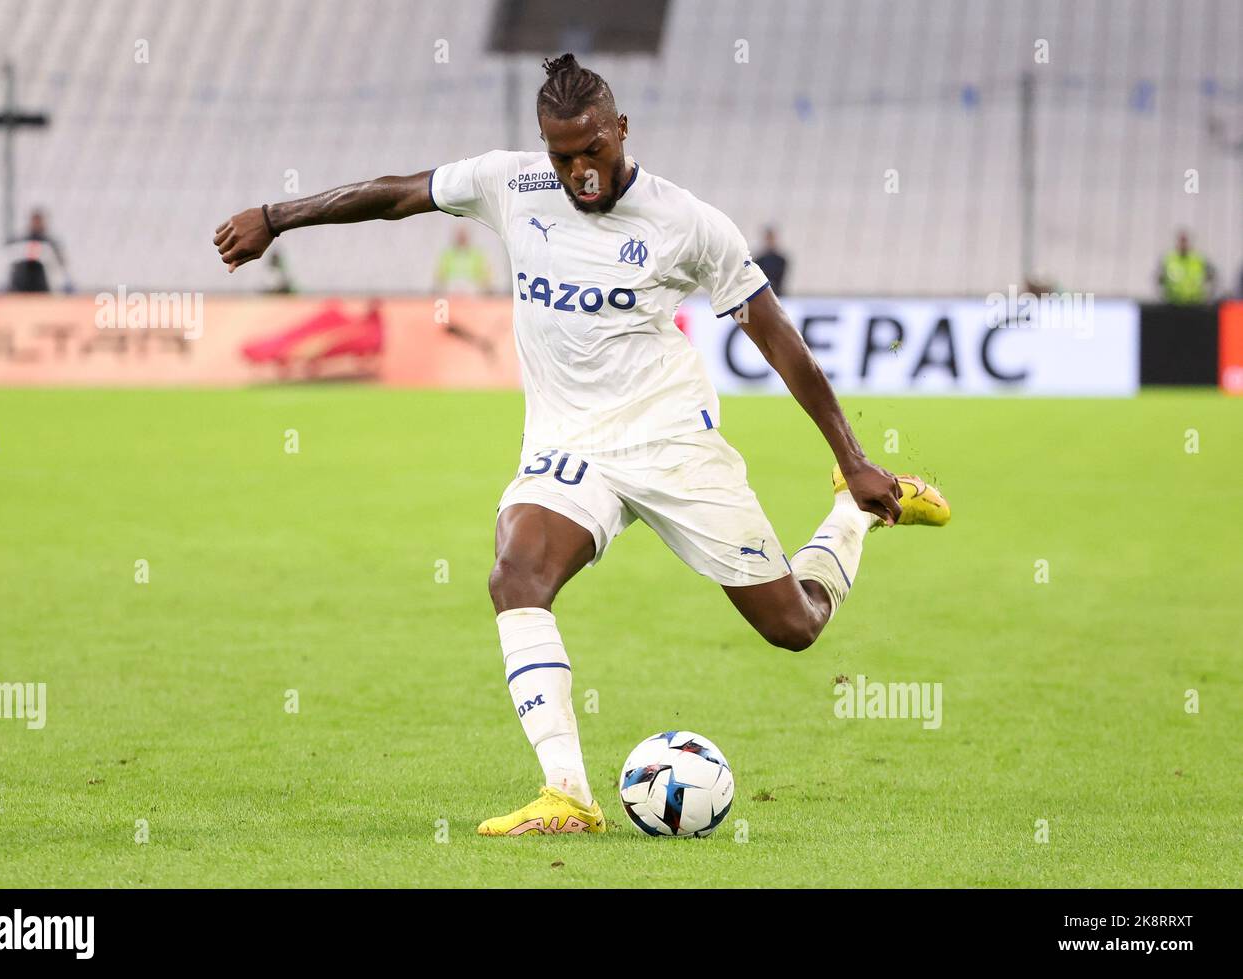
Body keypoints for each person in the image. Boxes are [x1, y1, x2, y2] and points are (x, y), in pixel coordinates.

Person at [213, 53, 950, 837]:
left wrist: (854, 454)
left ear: (622, 130)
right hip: (570, 444)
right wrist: (276, 216)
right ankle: (567, 792)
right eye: (563, 156)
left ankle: (854, 512)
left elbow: (777, 336)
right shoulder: (511, 183)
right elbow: (398, 194)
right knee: (515, 570)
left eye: (593, 150)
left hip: (670, 441)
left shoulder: (687, 223)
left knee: (794, 626)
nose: (581, 172)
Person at [6, 209, 71, 293]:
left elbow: (61, 263)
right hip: (21, 285)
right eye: (34, 221)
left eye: (39, 221)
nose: (36, 224)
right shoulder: (21, 241)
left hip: (43, 286)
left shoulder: (51, 243)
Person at [1157, 231, 1215, 304]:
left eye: (1185, 241)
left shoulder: (1199, 259)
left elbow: (1211, 278)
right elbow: (1159, 280)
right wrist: (1163, 298)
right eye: (1181, 241)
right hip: (1173, 303)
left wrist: (1207, 297)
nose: (1183, 244)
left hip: (1196, 303)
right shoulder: (1168, 259)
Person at [434, 227, 492, 294]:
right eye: (460, 236)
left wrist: (483, 285)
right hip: (451, 286)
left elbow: (486, 272)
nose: (461, 238)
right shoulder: (447, 254)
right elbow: (439, 273)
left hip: (472, 286)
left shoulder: (477, 254)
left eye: (463, 236)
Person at [754, 226, 788, 295]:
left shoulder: (781, 260)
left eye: (771, 238)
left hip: (777, 294)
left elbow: (779, 280)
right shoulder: (759, 260)